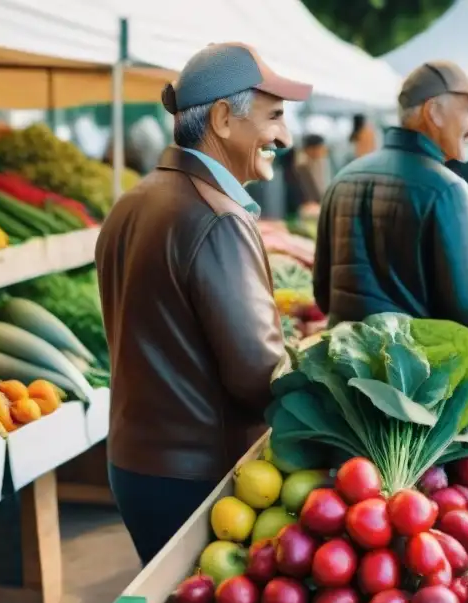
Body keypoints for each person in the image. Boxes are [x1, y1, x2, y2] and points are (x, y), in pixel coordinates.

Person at [95, 43, 311, 565]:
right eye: (275, 116)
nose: (286, 136)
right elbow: (256, 375)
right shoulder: (218, 216)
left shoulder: (131, 202)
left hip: (134, 461)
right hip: (198, 474)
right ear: (222, 118)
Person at [313, 61, 468, 341]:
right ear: (434, 111)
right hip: (413, 378)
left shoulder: (343, 178)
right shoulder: (447, 189)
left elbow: (323, 295)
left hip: (342, 368)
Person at [293, 134, 333, 205]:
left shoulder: (321, 161)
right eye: (320, 148)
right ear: (310, 149)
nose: (322, 151)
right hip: (306, 204)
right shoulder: (302, 165)